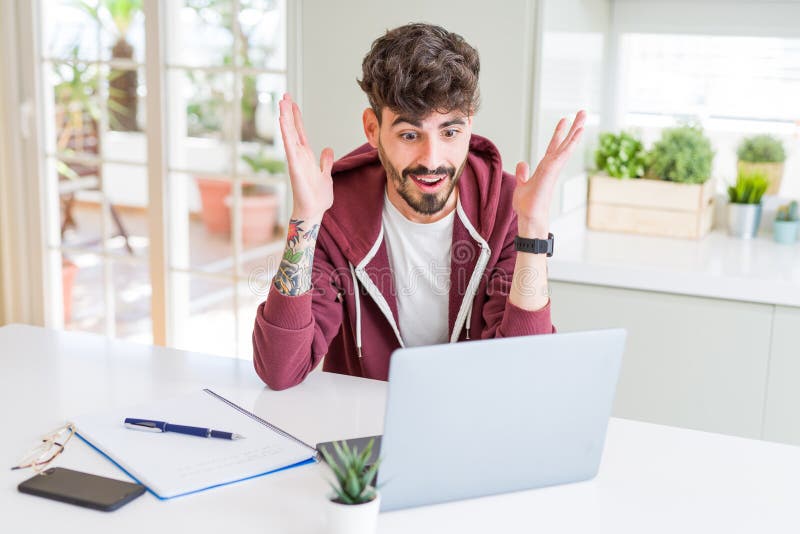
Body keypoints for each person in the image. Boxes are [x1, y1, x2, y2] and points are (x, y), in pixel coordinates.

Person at [252, 23, 585, 390]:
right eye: (410, 135)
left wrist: (533, 229)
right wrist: (306, 220)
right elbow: (280, 370)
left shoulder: (506, 207)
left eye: (449, 132)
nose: (432, 159)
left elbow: (525, 375)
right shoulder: (335, 208)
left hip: (471, 427)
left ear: (469, 126)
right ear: (372, 129)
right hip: (365, 433)